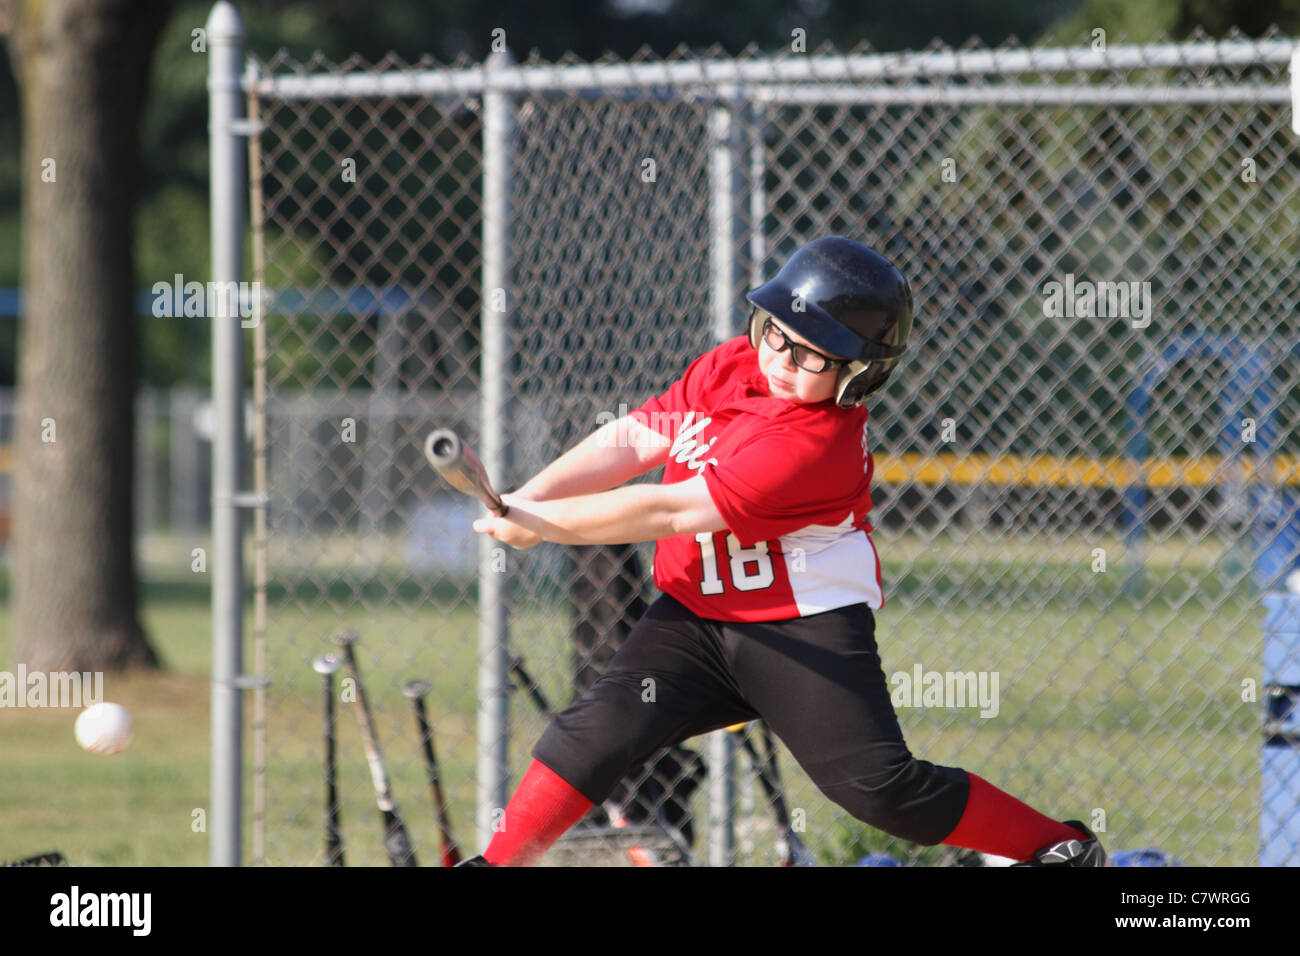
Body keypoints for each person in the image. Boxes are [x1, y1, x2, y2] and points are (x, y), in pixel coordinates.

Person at [463, 237, 1105, 867]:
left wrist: (541, 524)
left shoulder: (814, 446)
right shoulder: (732, 366)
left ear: (859, 376)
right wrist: (529, 496)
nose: (783, 360)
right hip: (696, 618)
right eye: (777, 335)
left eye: (814, 356)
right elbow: (637, 436)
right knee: (592, 734)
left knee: (880, 790)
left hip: (799, 628)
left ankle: (1057, 848)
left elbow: (669, 510)